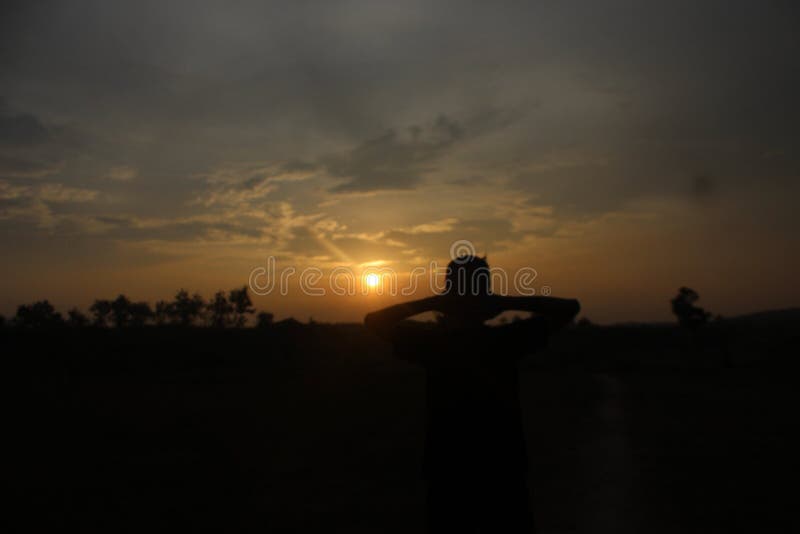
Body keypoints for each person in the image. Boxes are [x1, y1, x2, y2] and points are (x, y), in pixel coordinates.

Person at [364, 255, 580, 533]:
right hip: (502, 469)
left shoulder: (432, 344)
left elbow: (374, 321)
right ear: (486, 291)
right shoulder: (506, 341)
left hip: (449, 470)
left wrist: (436, 302)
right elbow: (568, 309)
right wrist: (504, 301)